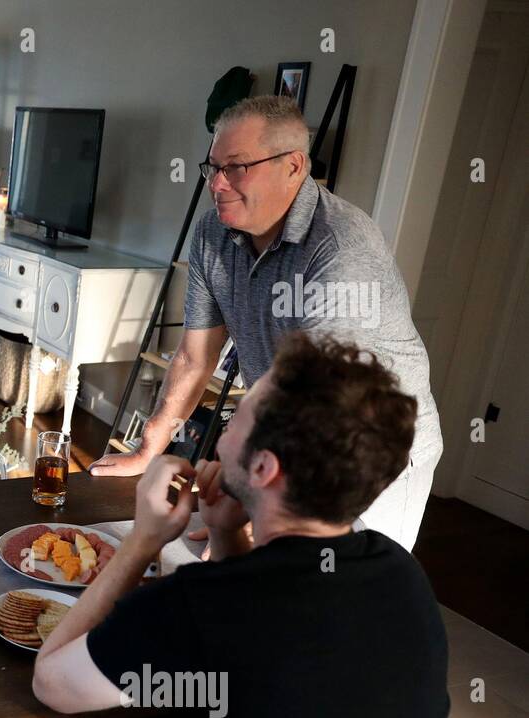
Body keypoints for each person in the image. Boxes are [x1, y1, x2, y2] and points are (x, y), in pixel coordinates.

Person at [0, 332, 449, 718]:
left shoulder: (202, 603)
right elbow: (266, 644)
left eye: (241, 413)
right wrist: (226, 535)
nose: (222, 428)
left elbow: (53, 681)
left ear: (264, 468)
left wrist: (143, 539)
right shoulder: (401, 572)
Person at [90, 95, 442, 551]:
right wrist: (148, 447)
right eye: (212, 167)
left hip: (372, 446)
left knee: (336, 589)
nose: (217, 183)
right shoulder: (212, 234)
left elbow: (322, 402)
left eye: (236, 167)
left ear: (294, 166)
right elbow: (196, 357)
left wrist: (260, 505)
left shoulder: (340, 250)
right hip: (294, 420)